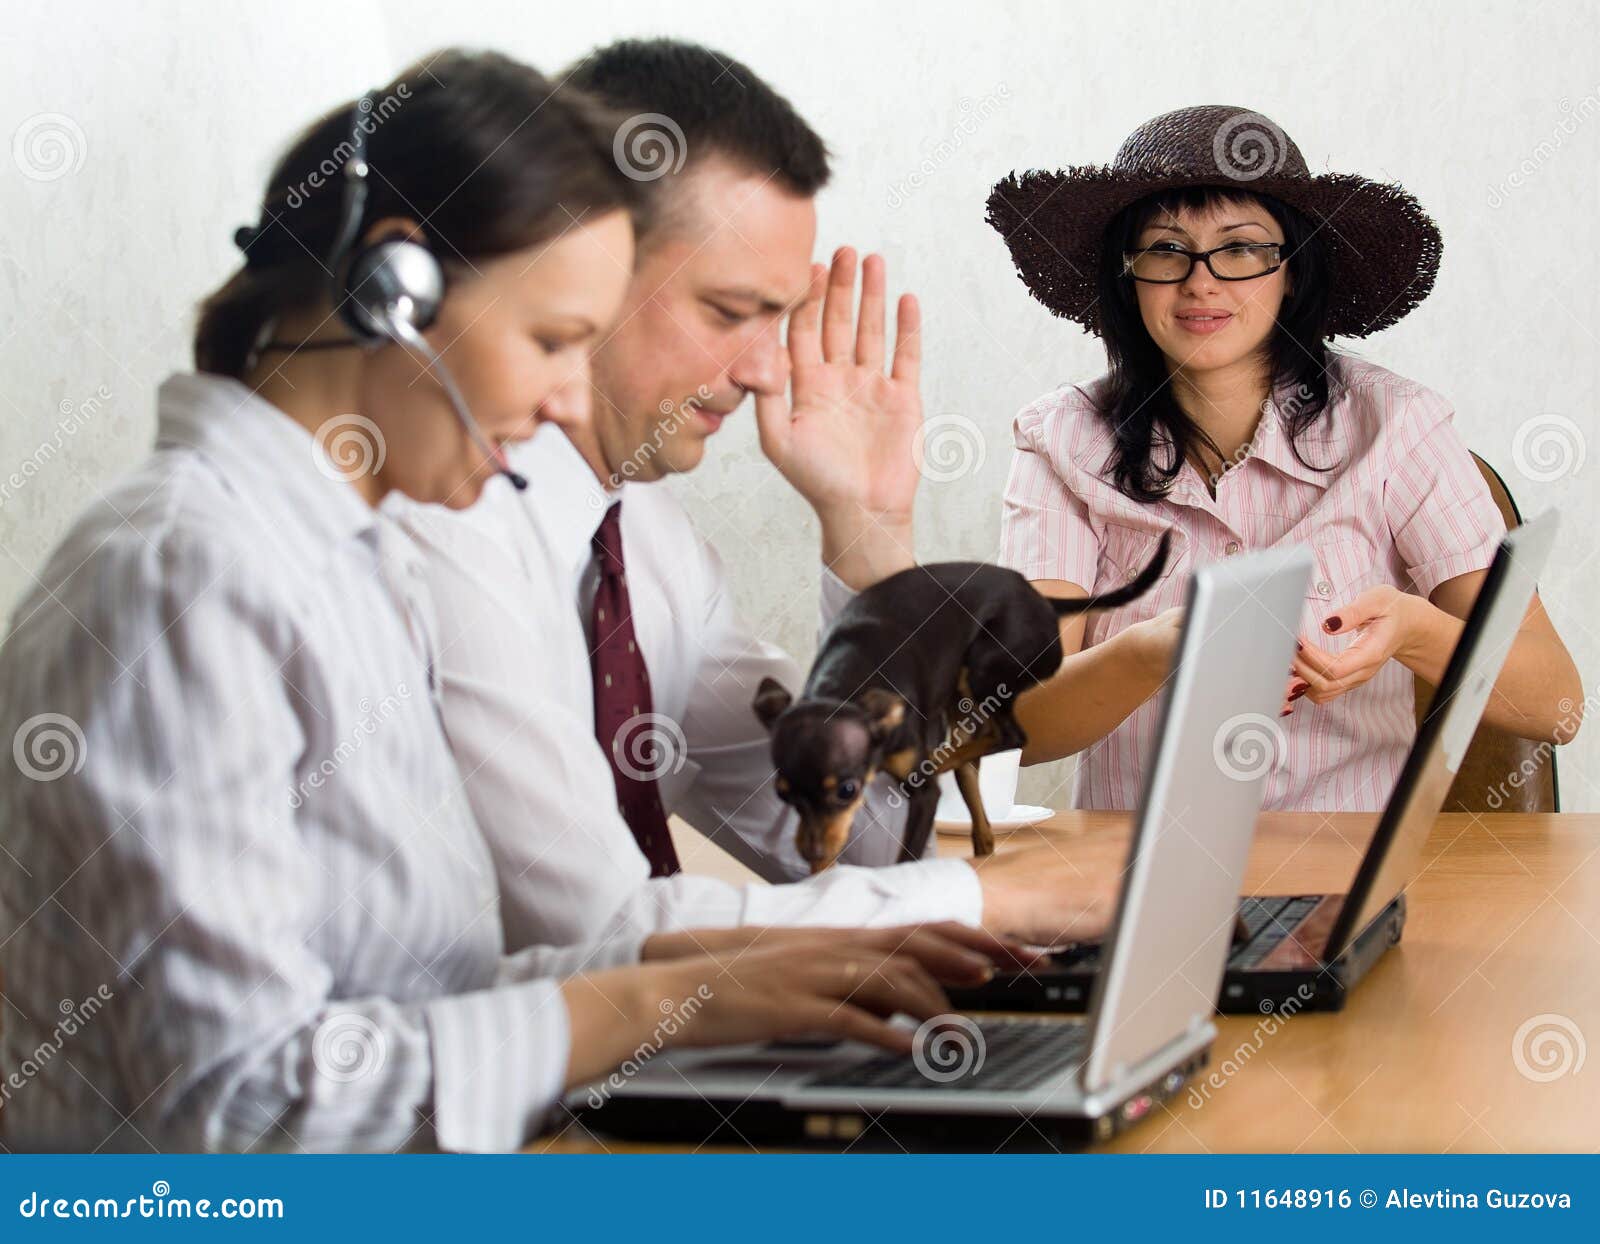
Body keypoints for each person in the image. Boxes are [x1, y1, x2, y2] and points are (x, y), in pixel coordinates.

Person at [0, 49, 1029, 1154]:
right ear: (393, 291)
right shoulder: (185, 576)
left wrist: (732, 977)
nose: (565, 400)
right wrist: (636, 1003)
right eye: (552, 340)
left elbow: (432, 983)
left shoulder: (345, 561)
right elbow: (244, 1108)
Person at [390, 39, 1114, 955]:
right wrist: (982, 901)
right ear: (576, 265)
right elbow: (597, 928)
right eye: (731, 313)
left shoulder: (651, 545)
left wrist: (868, 530)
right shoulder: (445, 527)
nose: (769, 370)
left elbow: (873, 849)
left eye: (778, 317)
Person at [988, 104, 1582, 811]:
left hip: (1346, 881)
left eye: (1240, 249)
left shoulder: (1398, 425)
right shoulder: (1061, 439)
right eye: (1166, 250)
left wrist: (1413, 630)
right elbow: (1013, 725)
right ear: (1129, 276)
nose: (1200, 283)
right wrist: (1149, 652)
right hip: (1129, 888)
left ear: (1292, 271)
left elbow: (1554, 701)